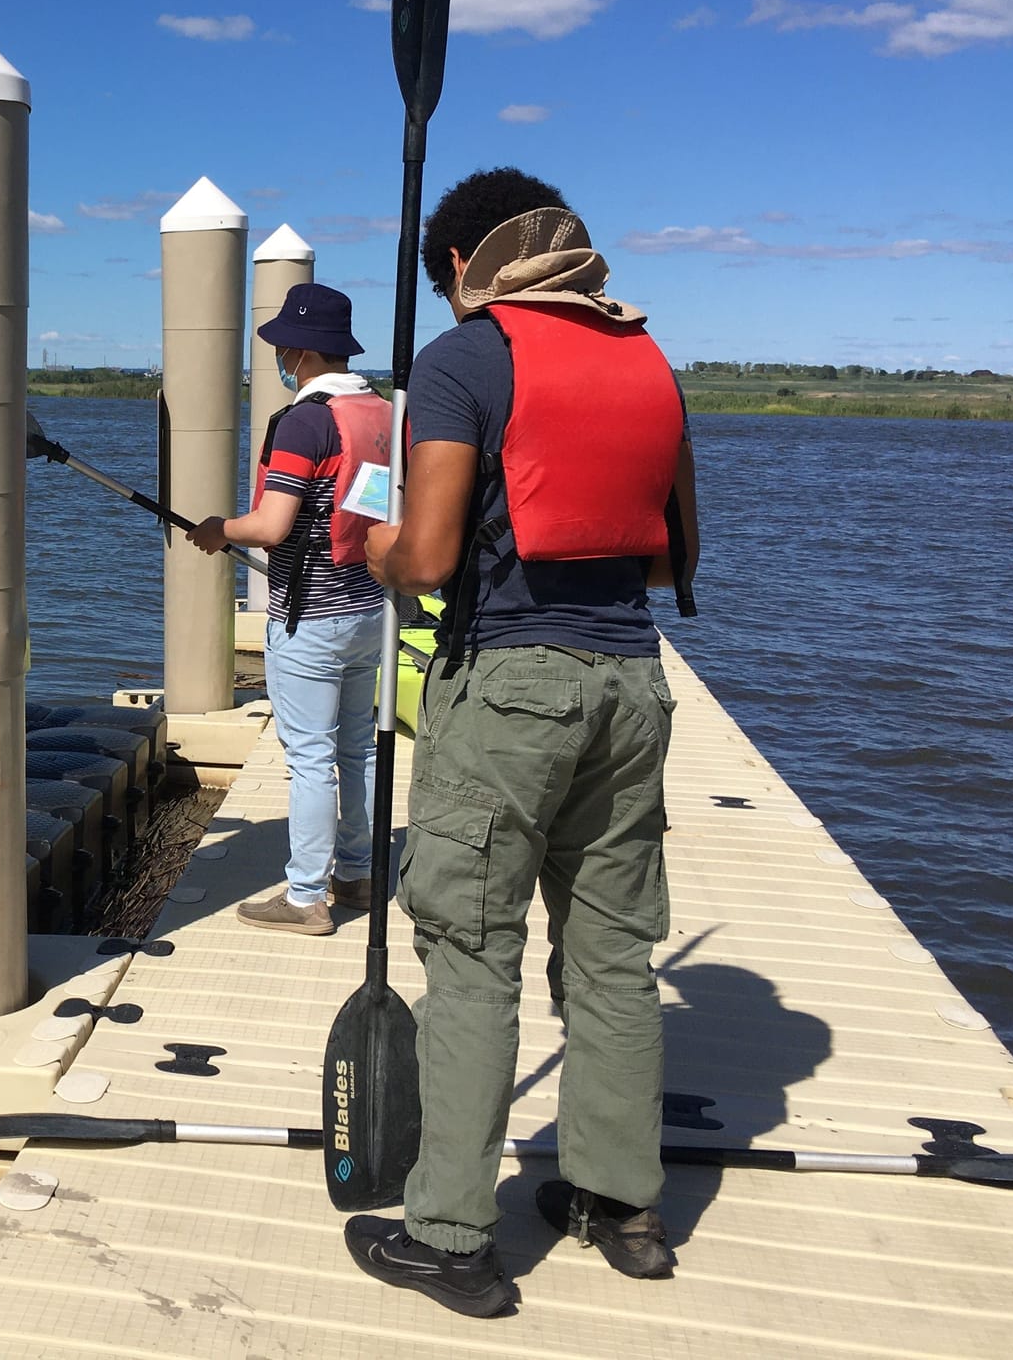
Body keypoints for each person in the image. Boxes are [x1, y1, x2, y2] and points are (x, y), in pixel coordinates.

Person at [342, 168, 699, 1318]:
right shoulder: (648, 359)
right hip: (633, 683)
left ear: (460, 265)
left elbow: (429, 559)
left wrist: (371, 545)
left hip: (508, 688)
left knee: (473, 952)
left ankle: (451, 1238)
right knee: (613, 955)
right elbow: (672, 560)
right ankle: (620, 1206)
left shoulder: (463, 359)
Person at [186, 282, 389, 936]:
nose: (279, 358)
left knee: (309, 759)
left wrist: (220, 529)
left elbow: (273, 525)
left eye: (283, 348)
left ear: (300, 351)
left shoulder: (306, 421)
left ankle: (305, 897)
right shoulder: (381, 413)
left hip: (311, 616)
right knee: (356, 750)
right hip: (370, 608)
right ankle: (357, 872)